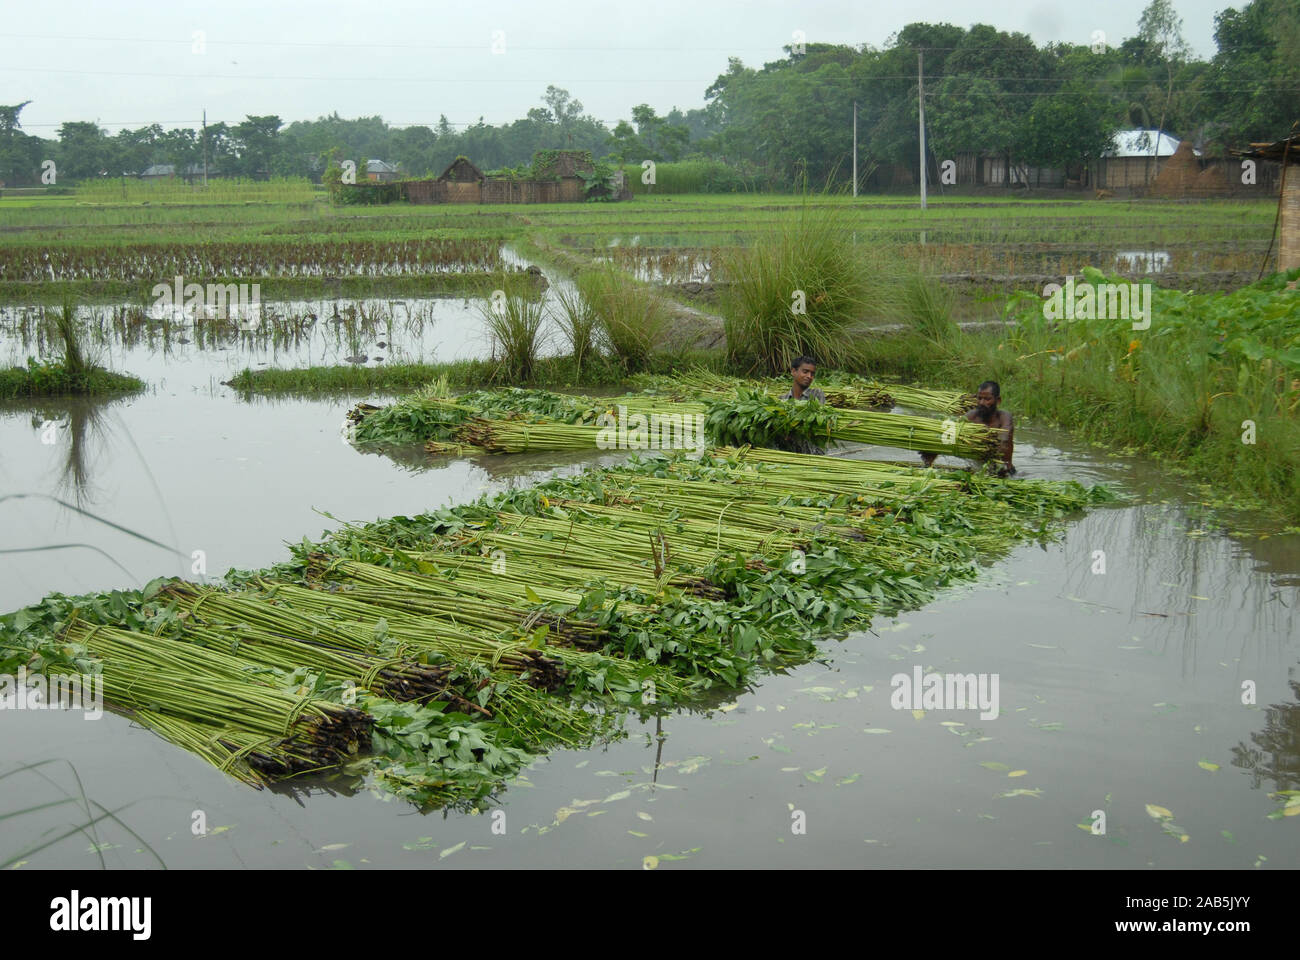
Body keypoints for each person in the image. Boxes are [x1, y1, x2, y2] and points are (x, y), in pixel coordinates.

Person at [921, 380, 1016, 476]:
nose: (982, 403)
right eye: (979, 398)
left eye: (987, 399)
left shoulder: (1004, 417)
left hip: (1004, 471)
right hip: (981, 470)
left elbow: (1004, 437)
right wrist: (931, 447)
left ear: (998, 400)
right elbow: (950, 433)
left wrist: (988, 440)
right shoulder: (972, 416)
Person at [777, 356, 827, 455]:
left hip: (814, 454)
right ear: (793, 371)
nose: (809, 376)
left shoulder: (816, 395)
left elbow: (816, 420)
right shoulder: (782, 400)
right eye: (805, 372)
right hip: (789, 454)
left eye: (812, 374)